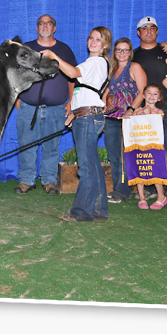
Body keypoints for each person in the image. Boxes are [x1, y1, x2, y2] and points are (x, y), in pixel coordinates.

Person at [43, 26, 112, 222]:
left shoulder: (96, 62)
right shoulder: (94, 63)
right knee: (93, 165)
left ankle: (82, 212)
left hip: (88, 119)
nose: (93, 42)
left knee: (86, 167)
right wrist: (75, 112)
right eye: (91, 38)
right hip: (86, 116)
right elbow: (84, 91)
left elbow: (72, 73)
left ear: (105, 45)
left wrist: (53, 56)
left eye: (98, 39)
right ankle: (98, 210)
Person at [15, 14, 77, 196]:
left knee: (52, 146)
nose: (45, 26)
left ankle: (49, 180)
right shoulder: (27, 48)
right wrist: (18, 100)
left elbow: (72, 77)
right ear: (36, 28)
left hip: (56, 108)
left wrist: (71, 102)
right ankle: (26, 180)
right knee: (26, 144)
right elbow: (15, 75)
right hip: (28, 107)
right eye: (41, 23)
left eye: (49, 23)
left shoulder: (64, 49)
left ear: (54, 28)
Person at [130, 16, 167, 208]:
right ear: (138, 33)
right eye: (144, 28)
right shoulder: (133, 56)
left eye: (152, 28)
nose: (148, 31)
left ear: (157, 31)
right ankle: (152, 188)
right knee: (147, 150)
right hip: (144, 110)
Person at [104, 38, 147, 204]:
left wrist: (132, 109)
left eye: (125, 50)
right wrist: (101, 107)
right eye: (119, 50)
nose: (122, 53)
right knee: (113, 155)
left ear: (130, 52)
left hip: (128, 118)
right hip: (112, 116)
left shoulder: (134, 67)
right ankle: (118, 187)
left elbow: (142, 92)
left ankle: (122, 191)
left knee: (124, 155)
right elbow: (108, 90)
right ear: (114, 52)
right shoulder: (112, 69)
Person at [130, 84, 167, 210]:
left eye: (155, 93)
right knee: (140, 169)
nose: (152, 96)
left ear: (159, 98)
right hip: (140, 146)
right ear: (143, 95)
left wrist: (146, 112)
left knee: (156, 171)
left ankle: (161, 197)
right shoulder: (136, 111)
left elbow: (157, 121)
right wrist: (135, 114)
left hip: (154, 147)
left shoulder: (160, 112)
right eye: (149, 93)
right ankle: (141, 197)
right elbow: (131, 123)